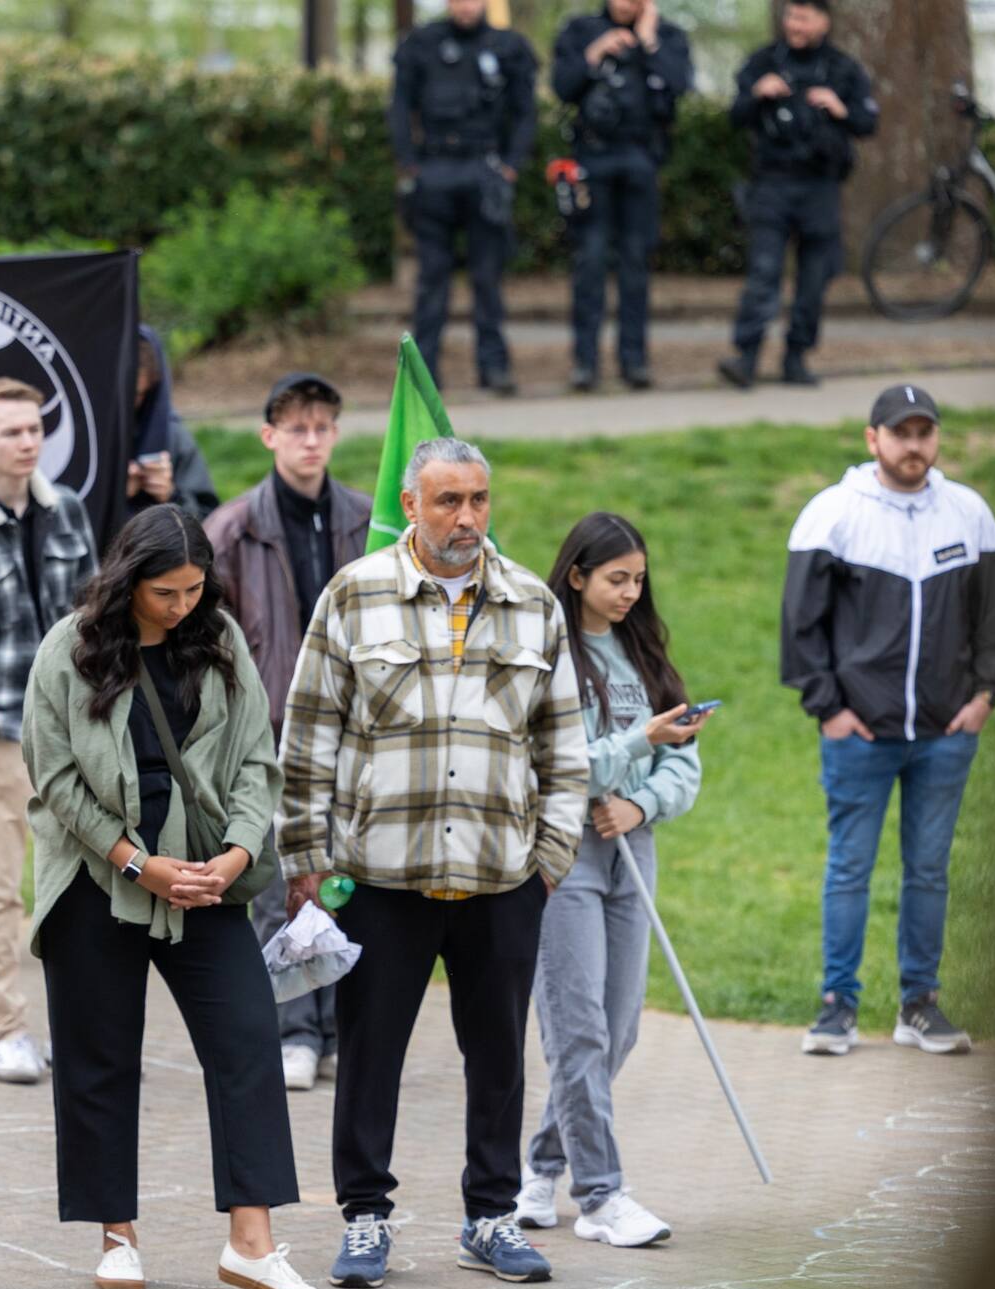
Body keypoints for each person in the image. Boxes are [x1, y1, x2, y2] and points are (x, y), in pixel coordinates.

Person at [278, 438, 588, 1289]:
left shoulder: (532, 602)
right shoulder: (354, 594)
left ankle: (491, 1217)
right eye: (448, 501)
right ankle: (365, 1218)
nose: (466, 518)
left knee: (497, 1056)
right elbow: (307, 736)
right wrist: (305, 857)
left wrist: (549, 858)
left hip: (501, 879)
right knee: (371, 1054)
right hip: (382, 877)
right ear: (411, 505)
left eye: (479, 499)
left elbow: (565, 749)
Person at [22, 505, 323, 1289]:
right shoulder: (70, 649)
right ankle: (116, 1235)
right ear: (128, 580)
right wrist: (135, 861)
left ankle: (251, 1244)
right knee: (100, 1058)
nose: (181, 605)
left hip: (208, 877)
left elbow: (258, 759)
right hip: (99, 880)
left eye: (194, 588)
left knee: (249, 1043)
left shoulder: (218, 640)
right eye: (165, 591)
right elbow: (53, 779)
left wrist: (235, 854)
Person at [782, 384, 995, 1057]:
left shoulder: (969, 514)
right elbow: (800, 630)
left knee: (930, 869)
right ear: (872, 438)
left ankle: (919, 1004)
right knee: (849, 868)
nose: (914, 445)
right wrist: (829, 710)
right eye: (900, 432)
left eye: (925, 432)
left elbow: (994, 621)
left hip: (946, 735)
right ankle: (837, 1007)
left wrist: (983, 699)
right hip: (860, 735)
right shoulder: (832, 515)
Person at [513, 512, 708, 1250]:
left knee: (618, 1028)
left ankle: (539, 1166)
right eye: (616, 578)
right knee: (578, 1029)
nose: (630, 592)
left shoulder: (644, 652)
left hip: (633, 851)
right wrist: (636, 742)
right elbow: (545, 760)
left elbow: (683, 761)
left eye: (638, 578)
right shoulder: (546, 653)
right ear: (577, 577)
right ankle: (600, 1196)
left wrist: (641, 799)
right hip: (564, 857)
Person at [204, 373, 371, 1092]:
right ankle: (294, 1026)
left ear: (335, 434)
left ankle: (337, 1025)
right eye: (295, 427)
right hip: (269, 734)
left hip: (354, 734)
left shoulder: (366, 520)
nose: (310, 440)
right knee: (279, 882)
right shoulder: (234, 529)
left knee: (341, 878)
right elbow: (211, 638)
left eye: (322, 426)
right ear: (269, 435)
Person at [0, 377, 98, 1085]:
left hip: (73, 727)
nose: (28, 442)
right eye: (12, 431)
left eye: (35, 429)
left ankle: (75, 1023)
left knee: (77, 882)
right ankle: (8, 1028)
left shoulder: (66, 510)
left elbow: (94, 616)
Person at [717, 0, 877, 390]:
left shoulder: (843, 69)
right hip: (772, 183)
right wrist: (757, 94)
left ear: (823, 21)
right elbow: (734, 116)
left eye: (804, 17)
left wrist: (839, 108)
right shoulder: (763, 61)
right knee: (764, 273)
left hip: (820, 185)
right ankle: (747, 357)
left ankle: (796, 357)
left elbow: (867, 121)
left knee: (814, 278)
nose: (795, 24)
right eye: (790, 16)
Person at [390, 0, 538, 393]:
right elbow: (400, 106)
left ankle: (494, 369)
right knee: (432, 280)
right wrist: (409, 164)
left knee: (487, 278)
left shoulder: (510, 47)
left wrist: (510, 165)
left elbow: (526, 113)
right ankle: (423, 378)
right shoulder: (421, 44)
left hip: (484, 170)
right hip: (434, 170)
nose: (466, 5)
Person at [552, 1, 694, 391]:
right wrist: (593, 54)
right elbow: (562, 88)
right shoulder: (580, 30)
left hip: (641, 161)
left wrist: (648, 41)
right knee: (590, 264)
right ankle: (585, 363)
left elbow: (679, 87)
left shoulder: (667, 36)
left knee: (635, 266)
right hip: (592, 160)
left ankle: (634, 362)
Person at [114, 325, 221, 536]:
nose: (129, 404)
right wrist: (116, 494)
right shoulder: (88, 435)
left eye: (137, 395)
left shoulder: (175, 438)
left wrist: (171, 495)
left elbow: (212, 527)